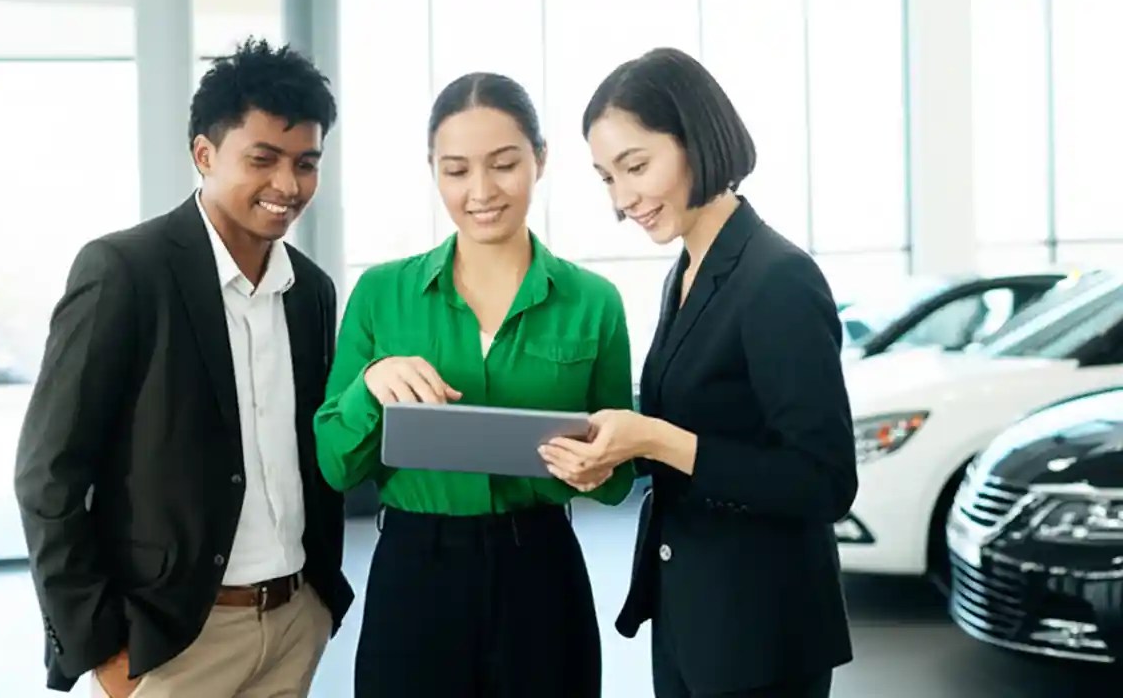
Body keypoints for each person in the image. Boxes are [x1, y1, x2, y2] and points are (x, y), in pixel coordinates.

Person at [14, 39, 353, 698]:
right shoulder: (124, 272)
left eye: (306, 163)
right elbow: (47, 474)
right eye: (263, 159)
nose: (287, 185)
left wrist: (317, 606)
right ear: (204, 155)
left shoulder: (310, 291)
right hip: (171, 642)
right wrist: (99, 647)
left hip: (292, 625)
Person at [540, 47, 858, 698]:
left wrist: (657, 441)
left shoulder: (777, 277)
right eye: (606, 177)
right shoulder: (688, 271)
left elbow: (824, 482)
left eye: (636, 166)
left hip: (762, 636)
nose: (624, 199)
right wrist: (618, 453)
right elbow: (708, 433)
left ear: (696, 139)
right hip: (693, 616)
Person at [313, 72, 634, 698]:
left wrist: (599, 465)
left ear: (539, 160)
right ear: (433, 170)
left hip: (541, 569)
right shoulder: (382, 293)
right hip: (415, 570)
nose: (481, 191)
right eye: (456, 170)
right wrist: (370, 386)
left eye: (504, 164)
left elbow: (620, 481)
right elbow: (333, 464)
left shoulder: (594, 303)